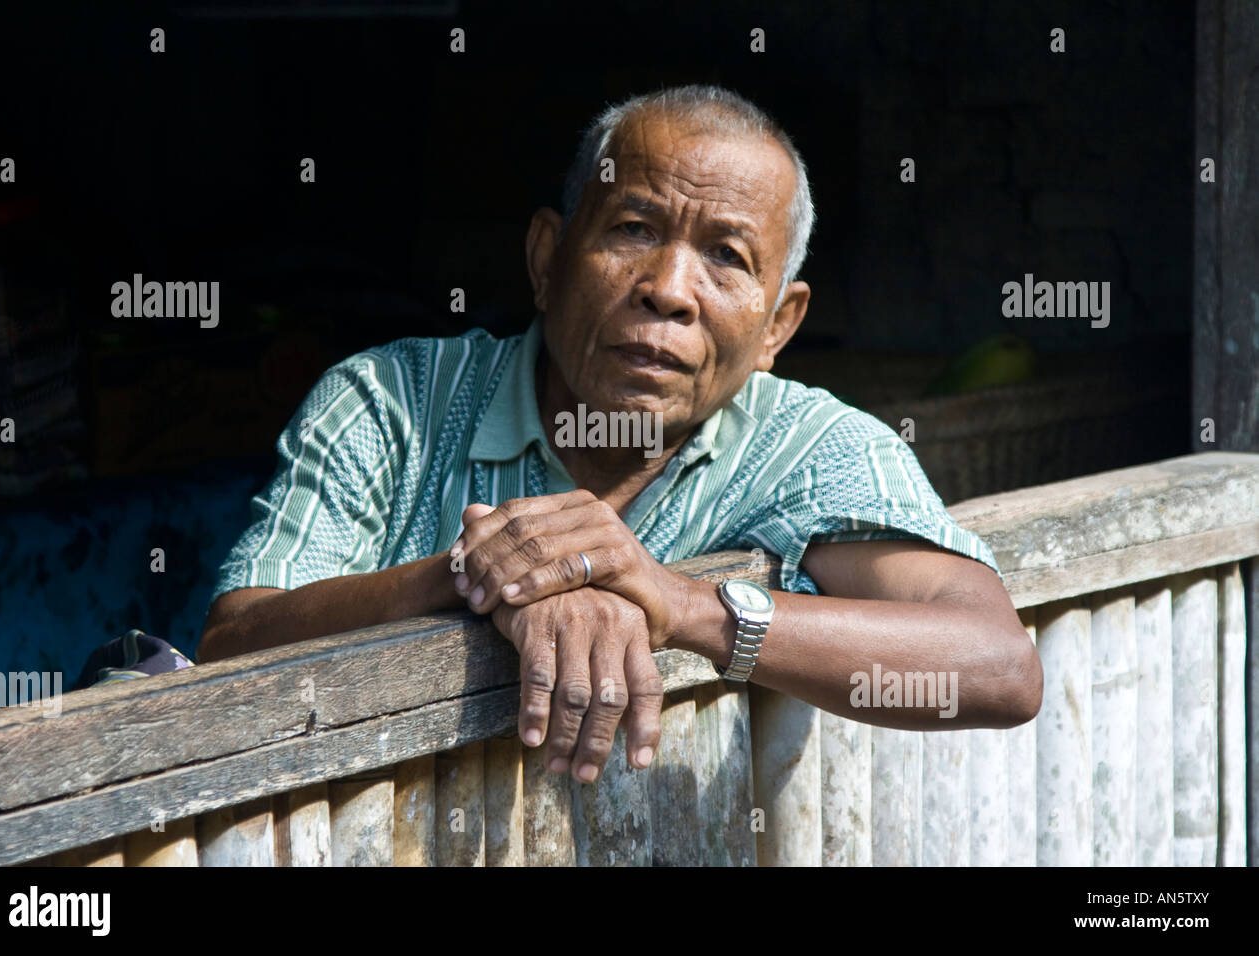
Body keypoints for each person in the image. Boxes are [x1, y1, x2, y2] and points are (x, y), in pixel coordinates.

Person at [197, 84, 1042, 787]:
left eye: (727, 257)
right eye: (633, 229)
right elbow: (233, 639)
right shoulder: (393, 400)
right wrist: (483, 576)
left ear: (779, 325)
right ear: (546, 259)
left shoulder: (811, 447)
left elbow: (997, 668)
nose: (669, 289)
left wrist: (680, 604)